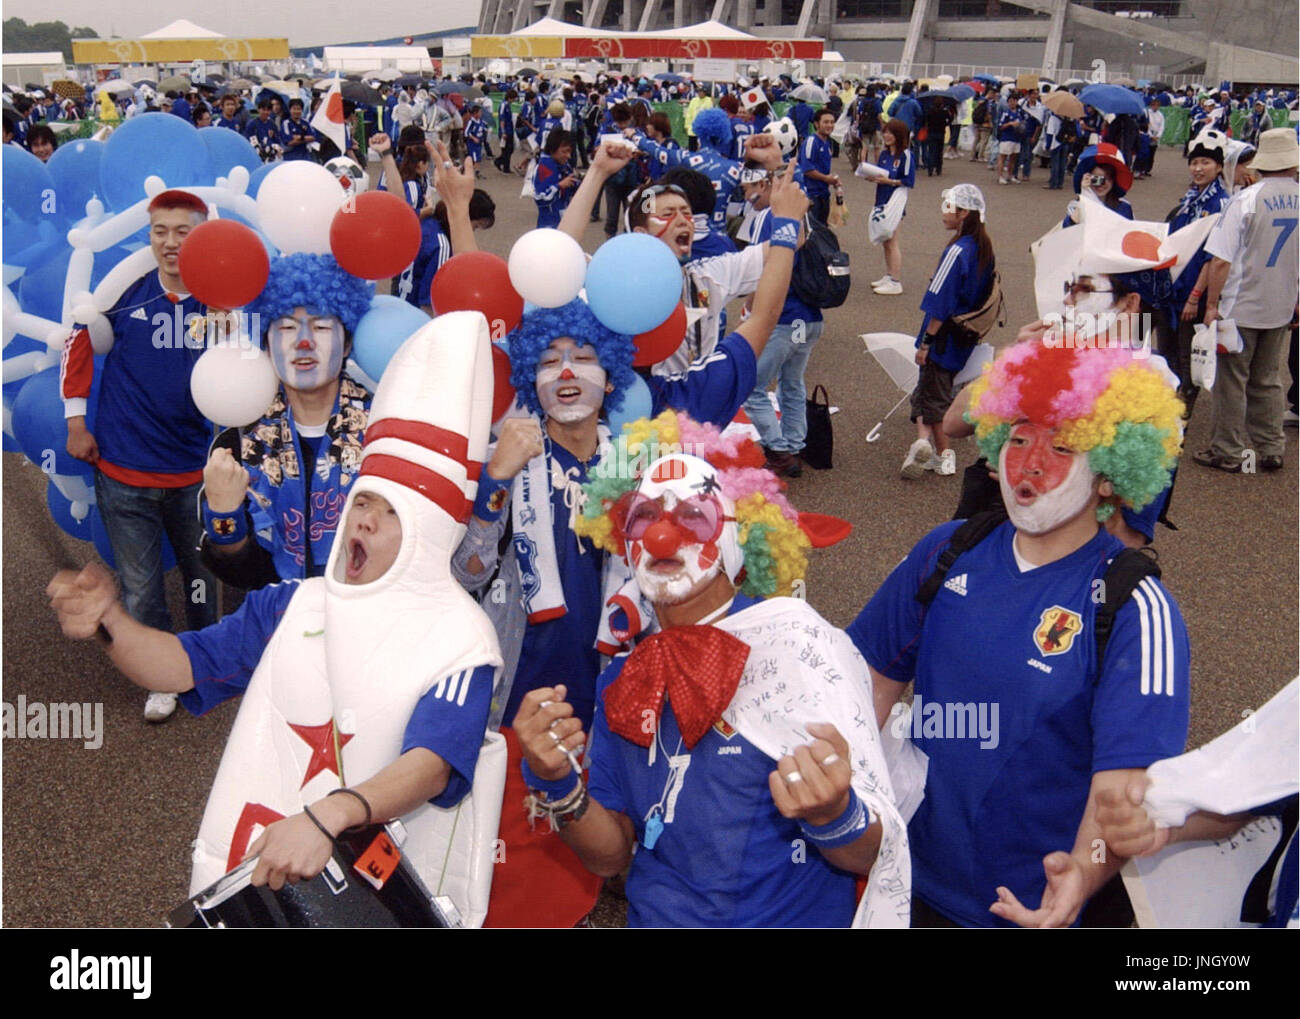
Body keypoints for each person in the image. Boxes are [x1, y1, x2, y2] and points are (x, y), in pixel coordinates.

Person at [48, 314, 504, 921]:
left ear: (429, 532)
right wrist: (110, 620)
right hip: (266, 879)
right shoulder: (296, 603)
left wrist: (329, 814)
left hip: (386, 900)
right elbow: (178, 666)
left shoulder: (460, 637)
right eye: (361, 501)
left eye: (390, 512)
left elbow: (432, 763)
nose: (363, 520)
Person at [451, 165, 808, 927]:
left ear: (611, 371)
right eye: (548, 360)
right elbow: (462, 575)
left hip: (635, 680)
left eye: (583, 357)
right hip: (528, 681)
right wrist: (491, 487)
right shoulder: (503, 448)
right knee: (525, 847)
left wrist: (782, 230)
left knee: (630, 838)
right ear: (530, 375)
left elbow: (755, 330)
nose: (567, 372)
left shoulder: (652, 442)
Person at [512, 424, 914, 927]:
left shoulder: (796, 649)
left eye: (693, 517)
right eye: (645, 517)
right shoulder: (625, 677)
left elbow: (869, 855)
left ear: (735, 535)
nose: (662, 534)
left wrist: (833, 814)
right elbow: (611, 857)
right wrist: (557, 783)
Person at [851, 337, 1190, 928]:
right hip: (911, 881)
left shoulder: (1137, 608)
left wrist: (1082, 874)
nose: (1031, 462)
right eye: (1020, 437)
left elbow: (1125, 789)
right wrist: (846, 810)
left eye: (1062, 446)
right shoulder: (947, 550)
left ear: (1110, 474)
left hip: (1038, 906)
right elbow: (868, 683)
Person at [60, 190, 220, 723]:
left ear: (203, 234)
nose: (171, 242)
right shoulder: (125, 291)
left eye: (184, 231)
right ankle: (160, 677)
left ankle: (208, 661)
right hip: (124, 470)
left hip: (195, 471)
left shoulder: (223, 300)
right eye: (161, 231)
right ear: (149, 236)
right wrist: (76, 421)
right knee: (141, 585)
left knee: (202, 574)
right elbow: (77, 340)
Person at [1195, 128, 1300, 474]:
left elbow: (1221, 260)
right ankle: (1270, 447)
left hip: (1241, 304)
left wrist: (1212, 304)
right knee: (1268, 378)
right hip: (1281, 302)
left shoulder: (1246, 199)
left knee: (1232, 380)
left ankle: (1228, 449)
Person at [900, 184, 995, 481]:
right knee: (934, 391)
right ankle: (923, 444)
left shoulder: (957, 251)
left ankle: (944, 457)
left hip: (943, 337)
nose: (944, 213)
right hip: (965, 336)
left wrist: (926, 342)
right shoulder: (983, 249)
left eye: (949, 207)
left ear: (964, 213)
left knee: (935, 398)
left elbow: (939, 301)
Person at [1163, 128, 1231, 410]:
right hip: (1174, 288)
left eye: (1205, 162)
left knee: (1187, 354)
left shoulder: (1220, 202)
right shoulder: (1191, 198)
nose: (1198, 168)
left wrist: (1195, 296)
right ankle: (1171, 404)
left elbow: (1213, 256)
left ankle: (1182, 414)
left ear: (1218, 166)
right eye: (1194, 162)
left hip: (1194, 293)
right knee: (1169, 351)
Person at [868, 118, 915, 296]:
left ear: (899, 135)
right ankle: (889, 275)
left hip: (895, 202)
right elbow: (881, 173)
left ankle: (895, 280)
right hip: (881, 199)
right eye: (885, 132)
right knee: (886, 240)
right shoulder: (884, 154)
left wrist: (889, 181)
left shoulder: (905, 155)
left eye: (890, 133)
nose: (886, 136)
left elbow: (909, 181)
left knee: (893, 240)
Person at [1061, 144, 1134, 228]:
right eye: (1097, 179)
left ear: (1114, 181)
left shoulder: (1124, 207)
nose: (1102, 184)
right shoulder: (1076, 206)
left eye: (1108, 179)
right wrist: (1085, 196)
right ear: (1088, 178)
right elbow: (1067, 230)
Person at [533, 128, 580, 230]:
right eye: (564, 152)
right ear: (552, 149)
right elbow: (540, 198)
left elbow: (571, 190)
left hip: (564, 217)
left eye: (570, 152)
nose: (568, 156)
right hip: (549, 223)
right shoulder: (545, 167)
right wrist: (559, 185)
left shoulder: (564, 164)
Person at [799, 108, 839, 223]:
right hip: (811, 194)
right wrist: (827, 178)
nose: (829, 125)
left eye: (832, 122)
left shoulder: (827, 142)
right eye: (825, 122)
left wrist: (833, 179)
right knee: (812, 230)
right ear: (816, 124)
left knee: (822, 228)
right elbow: (806, 169)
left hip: (823, 192)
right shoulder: (811, 141)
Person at [995, 92, 1026, 185]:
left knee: (1013, 158)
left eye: (1014, 101)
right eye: (1010, 101)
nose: (1012, 103)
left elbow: (1024, 122)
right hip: (1006, 138)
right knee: (1003, 157)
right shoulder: (1006, 113)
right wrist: (1009, 124)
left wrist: (1020, 125)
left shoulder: (1020, 113)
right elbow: (1000, 126)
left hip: (1016, 138)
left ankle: (1010, 175)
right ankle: (1000, 176)